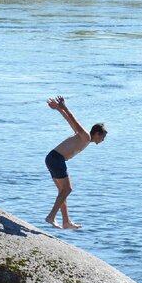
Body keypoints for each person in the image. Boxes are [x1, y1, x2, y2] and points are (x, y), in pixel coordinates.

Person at [44, 96, 106, 230]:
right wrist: (64, 107)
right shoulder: (86, 136)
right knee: (67, 189)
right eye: (103, 136)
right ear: (96, 133)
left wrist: (58, 108)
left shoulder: (83, 138)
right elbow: (73, 119)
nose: (103, 139)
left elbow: (68, 121)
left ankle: (66, 222)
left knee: (62, 191)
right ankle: (51, 216)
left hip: (52, 158)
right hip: (56, 159)